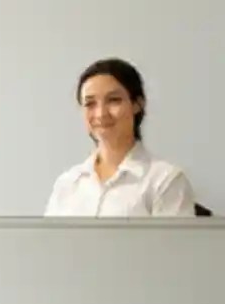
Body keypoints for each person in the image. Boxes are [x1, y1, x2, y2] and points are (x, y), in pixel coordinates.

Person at [45, 58, 196, 217]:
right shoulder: (67, 183)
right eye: (90, 104)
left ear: (137, 104)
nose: (101, 114)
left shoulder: (165, 180)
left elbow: (174, 235)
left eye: (113, 100)